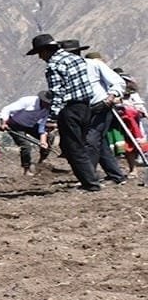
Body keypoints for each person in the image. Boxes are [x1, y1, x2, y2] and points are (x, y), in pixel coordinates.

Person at [27, 33, 103, 191]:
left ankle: (90, 183)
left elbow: (58, 93)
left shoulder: (54, 65)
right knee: (80, 144)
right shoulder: (77, 59)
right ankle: (91, 178)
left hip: (70, 109)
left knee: (72, 147)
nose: (40, 57)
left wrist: (52, 117)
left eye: (40, 53)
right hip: (85, 106)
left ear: (46, 50)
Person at [61, 40, 127, 184]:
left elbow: (118, 82)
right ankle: (116, 175)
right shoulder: (64, 69)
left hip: (100, 107)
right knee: (99, 143)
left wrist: (111, 96)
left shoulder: (95, 65)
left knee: (91, 141)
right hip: (80, 110)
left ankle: (89, 178)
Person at [0, 90, 53, 175]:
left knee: (50, 137)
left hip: (31, 125)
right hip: (15, 124)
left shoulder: (48, 109)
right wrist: (3, 123)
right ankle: (26, 169)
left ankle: (42, 161)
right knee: (26, 146)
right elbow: (6, 109)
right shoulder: (27, 101)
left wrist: (43, 141)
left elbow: (42, 125)